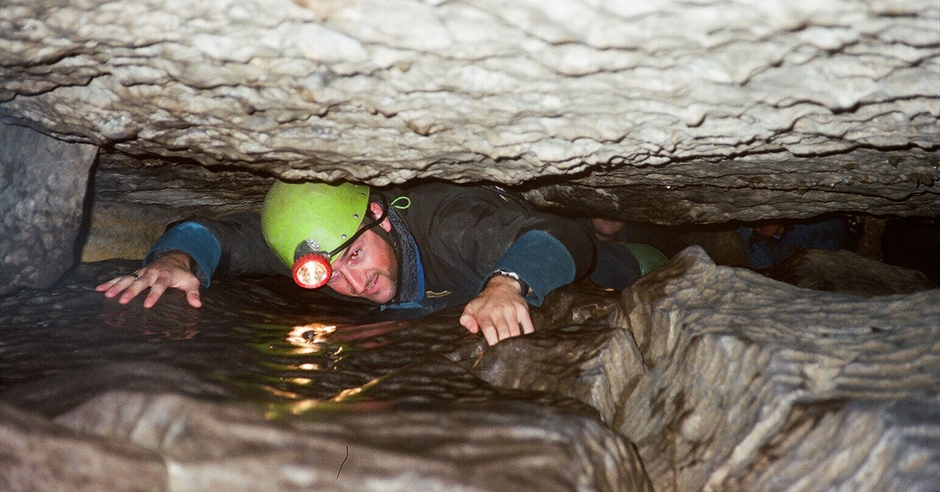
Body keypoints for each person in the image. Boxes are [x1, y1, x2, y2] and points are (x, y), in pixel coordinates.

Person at [97, 181, 652, 345]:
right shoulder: (317, 254)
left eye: (356, 255)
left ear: (380, 218)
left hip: (515, 237)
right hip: (440, 297)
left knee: (613, 268)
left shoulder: (447, 224)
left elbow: (555, 238)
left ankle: (624, 233)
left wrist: (509, 283)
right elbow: (216, 233)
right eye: (330, 274)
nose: (353, 282)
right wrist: (173, 260)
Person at [738, 217, 854, 270]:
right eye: (754, 223)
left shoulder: (808, 227)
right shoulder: (758, 243)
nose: (760, 225)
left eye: (765, 218)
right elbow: (766, 272)